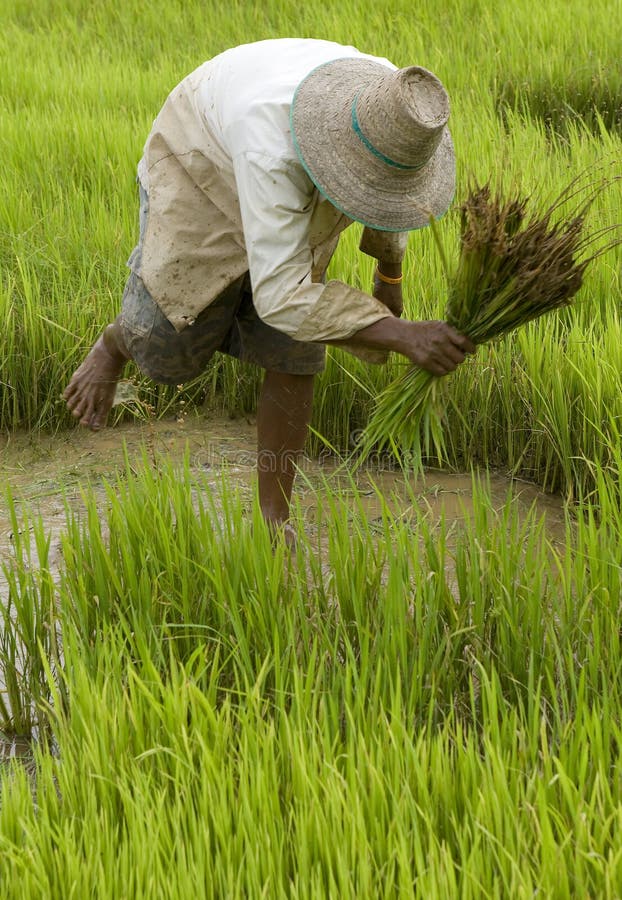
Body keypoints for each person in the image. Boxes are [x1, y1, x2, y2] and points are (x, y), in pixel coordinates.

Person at [64, 38, 475, 537]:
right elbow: (282, 299)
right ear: (343, 159)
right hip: (203, 159)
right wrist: (400, 334)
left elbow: (390, 193)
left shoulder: (400, 105)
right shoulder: (271, 146)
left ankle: (273, 517)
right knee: (169, 347)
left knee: (295, 350)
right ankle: (116, 341)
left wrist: (388, 277)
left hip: (293, 155)